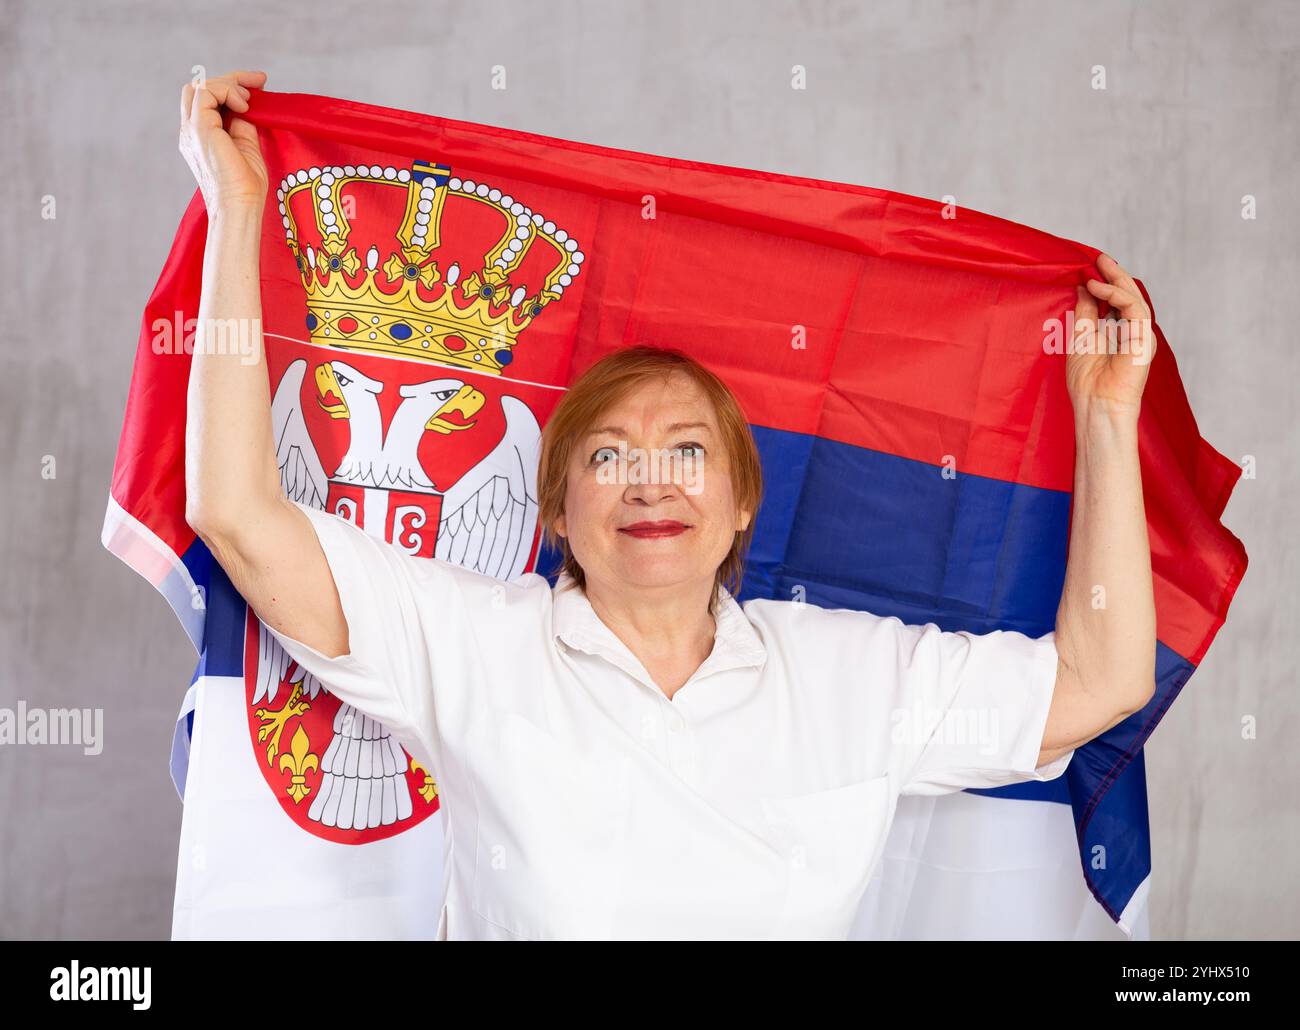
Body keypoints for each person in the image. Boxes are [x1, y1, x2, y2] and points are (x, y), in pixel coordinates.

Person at [179, 70, 1159, 940]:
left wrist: (1106, 423)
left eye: (688, 451)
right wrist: (237, 209)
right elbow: (238, 515)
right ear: (556, 510)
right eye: (608, 454)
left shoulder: (850, 675)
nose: (651, 479)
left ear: (742, 505)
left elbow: (1102, 681)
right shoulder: (472, 642)